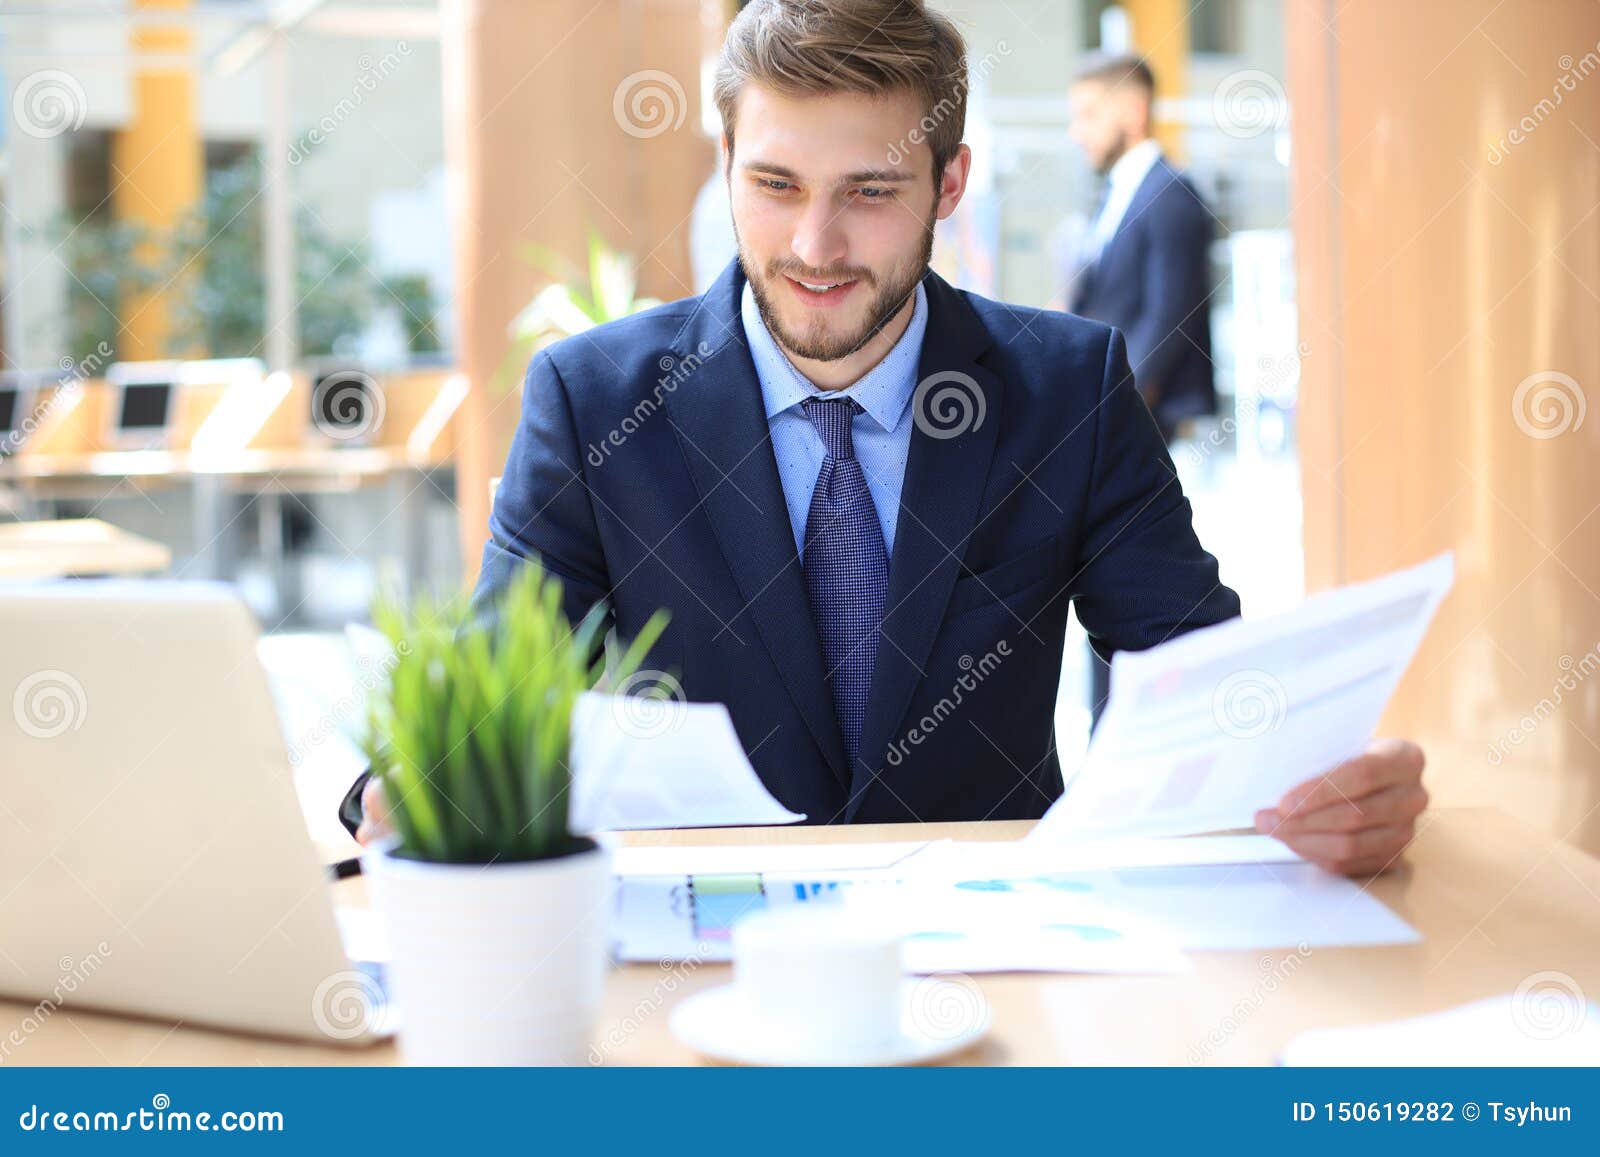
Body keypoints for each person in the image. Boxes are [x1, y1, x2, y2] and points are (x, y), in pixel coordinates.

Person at [348, 0, 1427, 878]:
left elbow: (1196, 672)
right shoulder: (593, 400)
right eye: (774, 186)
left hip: (996, 955)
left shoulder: (1065, 390)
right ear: (725, 163)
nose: (815, 246)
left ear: (946, 186)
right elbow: (495, 684)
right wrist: (399, 789)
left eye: (868, 191)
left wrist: (1324, 772)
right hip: (698, 963)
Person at [1065, 55, 1216, 446]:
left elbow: (1171, 314)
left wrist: (1126, 399)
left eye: (1089, 115)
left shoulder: (1171, 194)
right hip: (1101, 401)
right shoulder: (1115, 195)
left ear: (1133, 112)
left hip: (1139, 409)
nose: (1076, 132)